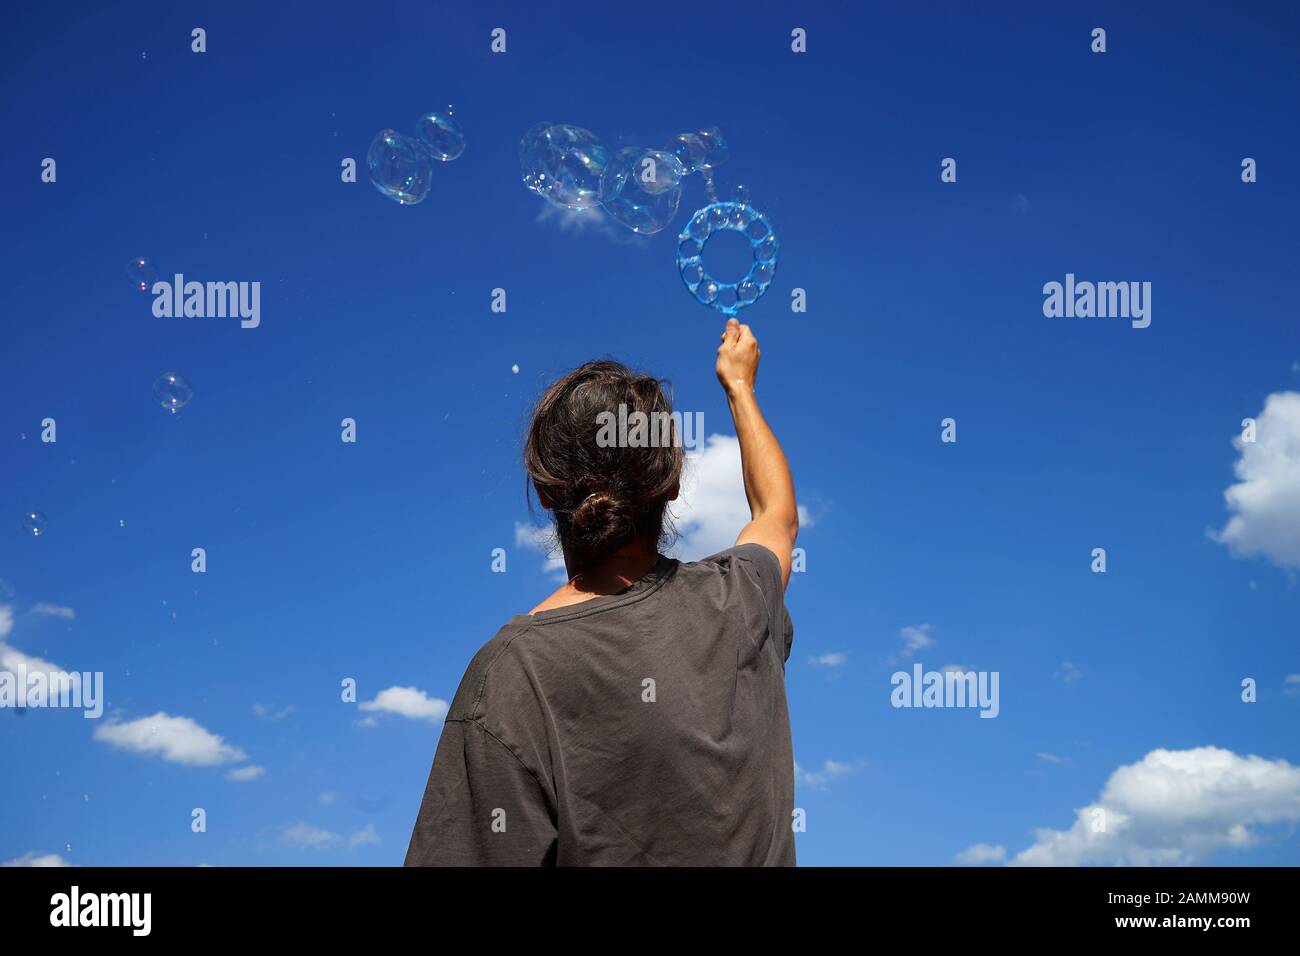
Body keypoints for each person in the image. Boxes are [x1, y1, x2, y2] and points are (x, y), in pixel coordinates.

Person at [404, 318, 799, 866]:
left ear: (544, 492)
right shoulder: (742, 599)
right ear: (674, 483)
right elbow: (776, 515)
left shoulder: (513, 676)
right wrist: (739, 387)